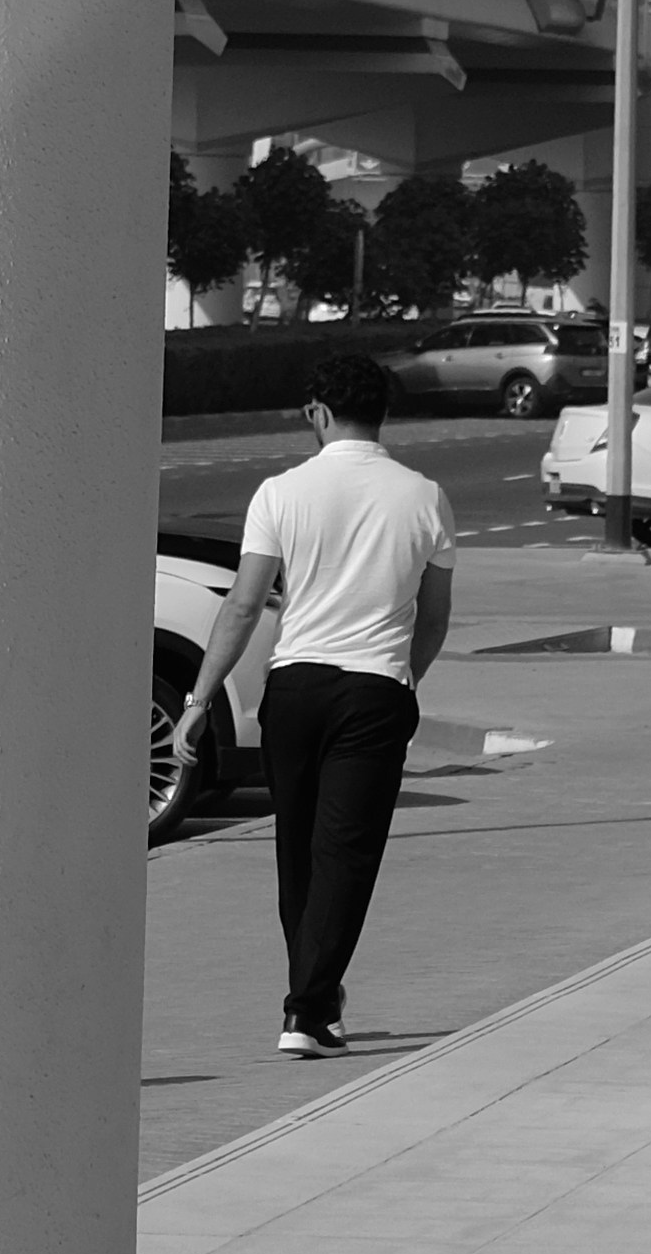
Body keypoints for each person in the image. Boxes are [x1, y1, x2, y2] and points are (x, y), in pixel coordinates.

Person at [181, 352, 455, 1056]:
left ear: (318, 414)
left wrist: (198, 699)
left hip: (294, 689)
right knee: (348, 853)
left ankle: (313, 1001)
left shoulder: (280, 492)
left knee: (298, 851)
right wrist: (404, 680)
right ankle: (308, 1011)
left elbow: (243, 606)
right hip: (375, 689)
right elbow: (433, 617)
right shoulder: (424, 496)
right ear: (381, 413)